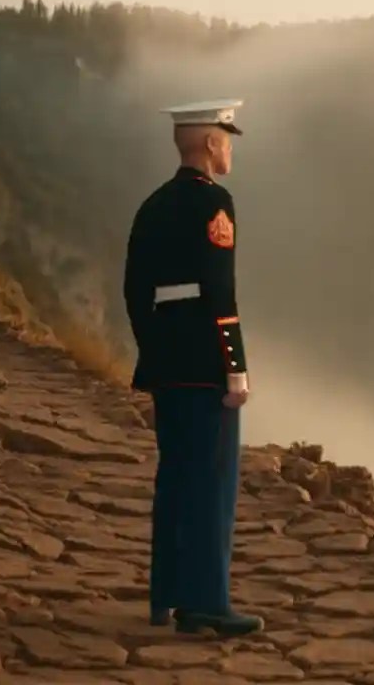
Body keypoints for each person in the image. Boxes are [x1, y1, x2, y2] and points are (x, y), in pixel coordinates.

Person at [121, 97, 262, 636]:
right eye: (226, 138)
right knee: (212, 483)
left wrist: (154, 349)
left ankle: (164, 595)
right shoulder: (215, 203)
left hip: (167, 362)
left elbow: (135, 290)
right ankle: (207, 603)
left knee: (174, 478)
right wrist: (235, 368)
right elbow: (220, 291)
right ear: (209, 143)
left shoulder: (152, 205)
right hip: (206, 363)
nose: (229, 149)